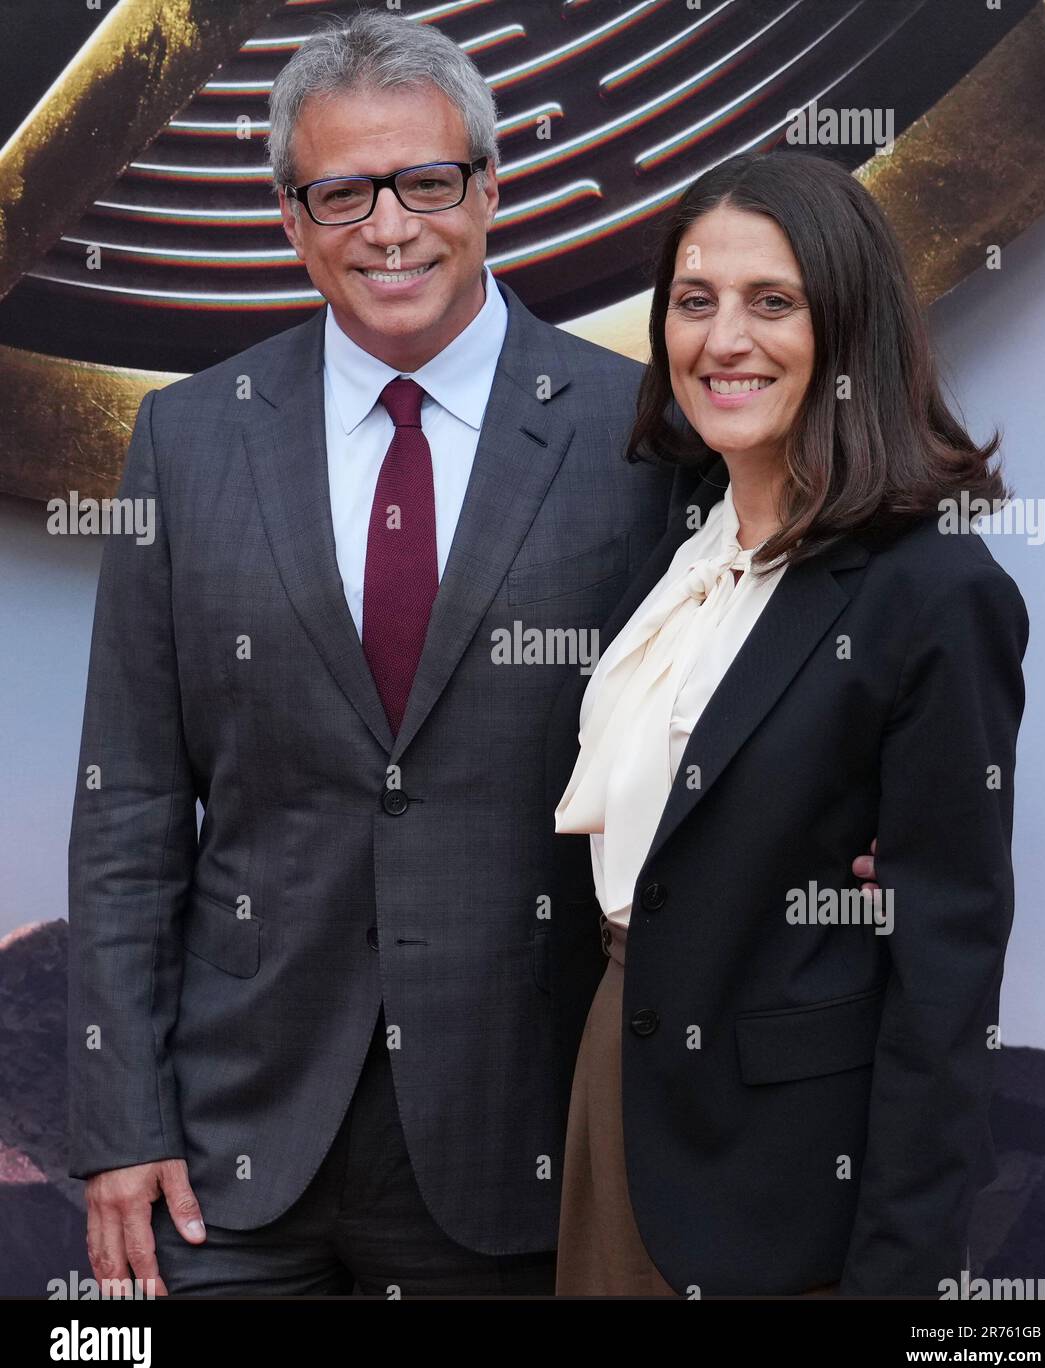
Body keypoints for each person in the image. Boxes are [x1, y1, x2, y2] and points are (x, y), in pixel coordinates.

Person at [66, 14, 876, 1297]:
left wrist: (858, 813)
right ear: (292, 216)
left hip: (522, 1134)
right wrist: (118, 1124)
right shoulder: (185, 442)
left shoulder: (644, 435)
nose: (389, 227)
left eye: (427, 182)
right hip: (227, 1148)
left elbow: (746, 699)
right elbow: (131, 812)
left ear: (488, 188)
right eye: (342, 192)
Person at [548, 150, 1029, 1298]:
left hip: (781, 1184)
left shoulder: (932, 590)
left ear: (848, 327)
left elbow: (942, 980)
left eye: (773, 302)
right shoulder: (678, 553)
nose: (723, 340)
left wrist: (899, 1279)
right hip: (619, 1093)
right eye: (693, 301)